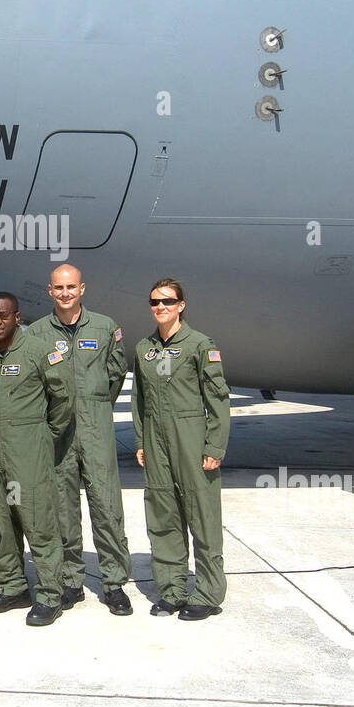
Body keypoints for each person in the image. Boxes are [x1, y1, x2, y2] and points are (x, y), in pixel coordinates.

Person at [27, 264, 133, 615]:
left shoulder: (105, 328)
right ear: (50, 291)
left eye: (71, 286)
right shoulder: (38, 332)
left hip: (96, 429)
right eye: (59, 287)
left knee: (106, 506)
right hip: (57, 433)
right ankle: (71, 580)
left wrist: (96, 406)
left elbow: (116, 374)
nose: (65, 293)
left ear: (82, 288)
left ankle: (114, 582)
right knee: (63, 510)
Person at [0, 293, 74, 626]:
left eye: (2, 315)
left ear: (17, 316)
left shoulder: (39, 351)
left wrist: (45, 438)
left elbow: (63, 399)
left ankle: (49, 594)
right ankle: (13, 586)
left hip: (29, 449)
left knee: (36, 520)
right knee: (1, 521)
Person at [131, 279, 230, 621]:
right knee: (163, 515)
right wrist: (142, 440)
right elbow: (138, 398)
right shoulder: (144, 348)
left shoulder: (200, 345)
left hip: (190, 436)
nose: (161, 307)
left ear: (182, 305)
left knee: (201, 515)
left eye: (168, 302)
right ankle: (172, 590)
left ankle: (208, 591)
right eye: (155, 302)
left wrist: (214, 445)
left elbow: (217, 398)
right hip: (156, 440)